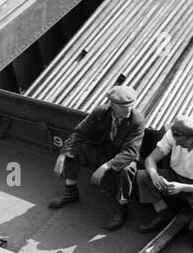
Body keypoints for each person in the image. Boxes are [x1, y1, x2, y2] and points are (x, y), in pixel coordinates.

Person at [49, 83, 145, 229]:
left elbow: (131, 152)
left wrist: (106, 166)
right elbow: (79, 134)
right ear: (112, 105)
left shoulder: (137, 120)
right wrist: (63, 155)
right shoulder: (101, 112)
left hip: (121, 157)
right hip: (101, 151)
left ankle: (122, 208)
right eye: (123, 107)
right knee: (74, 149)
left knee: (127, 169)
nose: (128, 110)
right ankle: (71, 192)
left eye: (131, 106)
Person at [136, 113, 193, 253]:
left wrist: (182, 187)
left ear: (192, 138)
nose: (175, 143)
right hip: (175, 176)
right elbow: (150, 160)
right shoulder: (173, 135)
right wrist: (154, 175)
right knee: (143, 176)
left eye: (180, 140)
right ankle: (163, 212)